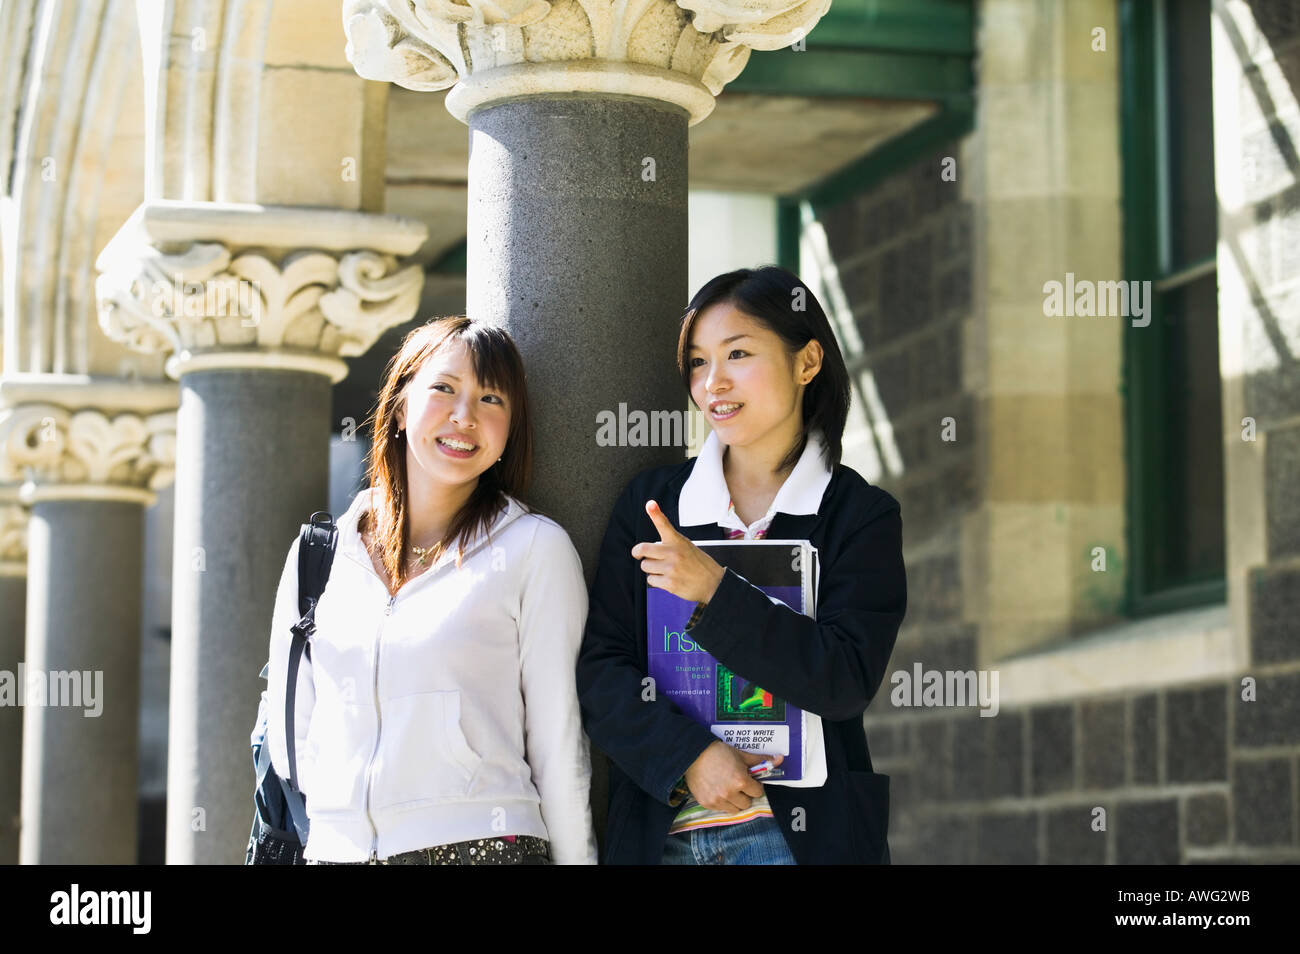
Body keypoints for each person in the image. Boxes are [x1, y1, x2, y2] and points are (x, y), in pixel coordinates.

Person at [577, 265, 907, 865]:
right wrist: (687, 757)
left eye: (738, 354)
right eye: (699, 363)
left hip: (799, 839)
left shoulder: (858, 514)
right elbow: (602, 668)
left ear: (807, 363)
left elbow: (843, 678)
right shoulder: (655, 505)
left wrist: (715, 590)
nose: (713, 383)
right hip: (663, 833)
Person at [266, 316, 597, 865]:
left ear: (510, 429)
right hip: (335, 851)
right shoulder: (321, 552)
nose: (465, 417)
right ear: (399, 406)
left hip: (481, 848)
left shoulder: (535, 550)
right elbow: (291, 728)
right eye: (443, 388)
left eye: (492, 399)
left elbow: (559, 747)